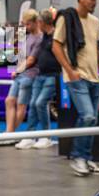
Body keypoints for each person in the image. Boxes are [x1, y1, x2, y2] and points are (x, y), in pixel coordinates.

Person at [51, 0, 99, 176]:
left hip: (93, 78)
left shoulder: (95, 21)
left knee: (92, 120)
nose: (94, 1)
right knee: (88, 116)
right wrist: (70, 71)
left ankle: (86, 157)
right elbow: (56, 46)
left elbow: (97, 48)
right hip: (77, 76)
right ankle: (78, 157)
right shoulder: (67, 18)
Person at [0, 9, 41, 145]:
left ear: (35, 22)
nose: (25, 27)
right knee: (9, 101)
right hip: (20, 74)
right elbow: (21, 56)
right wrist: (14, 69)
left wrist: (17, 70)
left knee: (21, 105)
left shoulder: (39, 38)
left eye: (27, 24)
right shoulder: (27, 37)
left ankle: (10, 134)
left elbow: (31, 60)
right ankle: (9, 133)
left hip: (30, 75)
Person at [23, 9, 60, 148]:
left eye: (39, 21)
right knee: (32, 104)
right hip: (40, 75)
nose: (38, 24)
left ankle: (46, 136)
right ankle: (30, 136)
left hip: (52, 75)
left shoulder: (56, 35)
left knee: (40, 103)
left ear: (43, 22)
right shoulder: (43, 36)